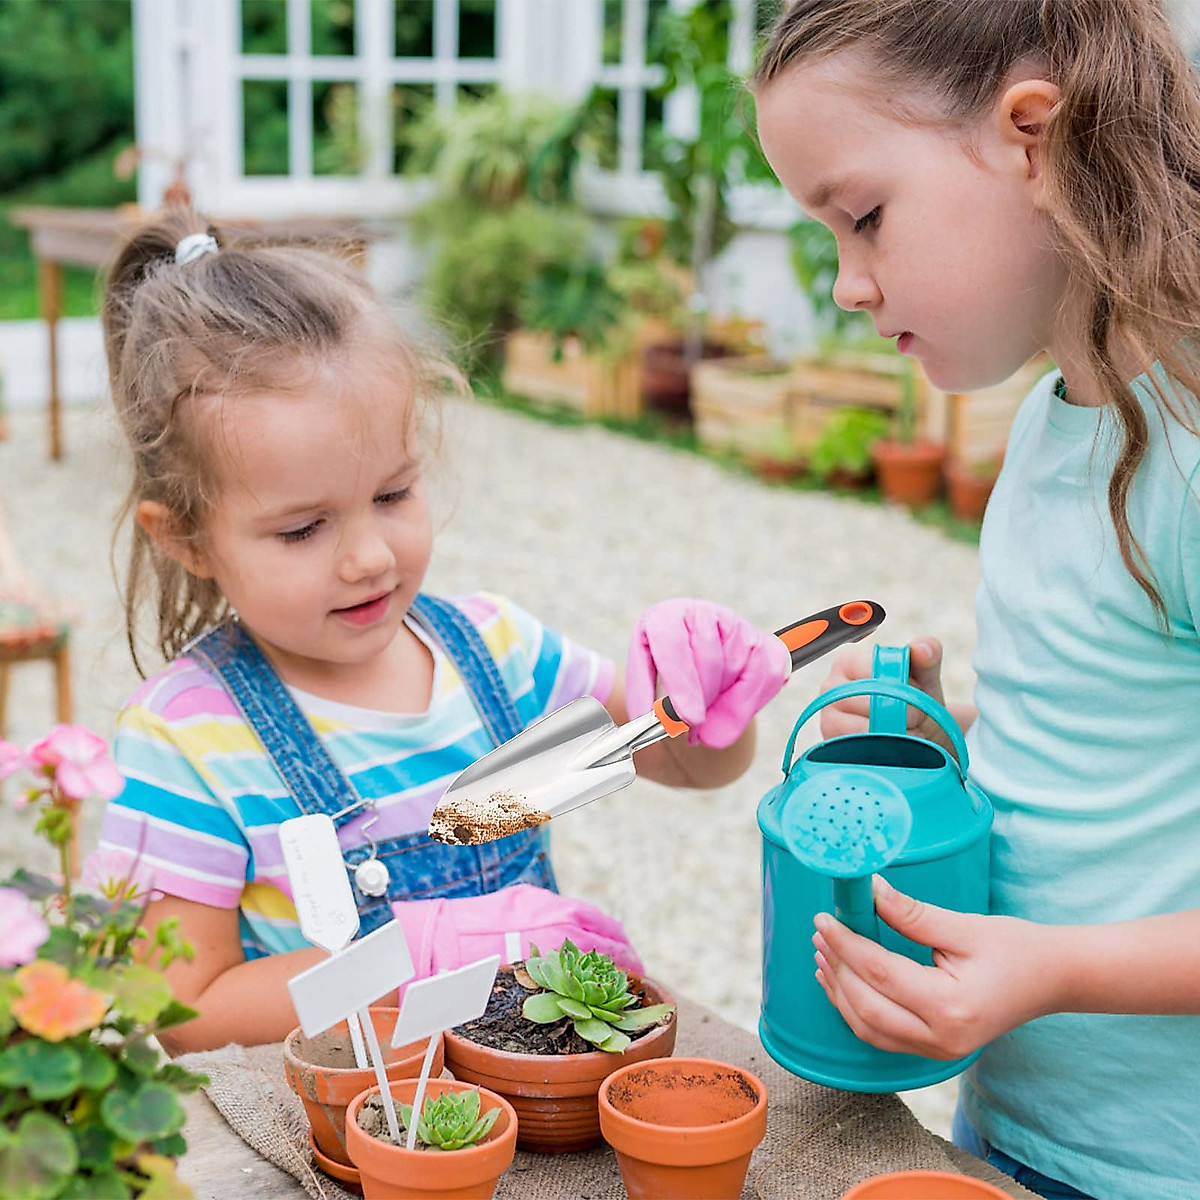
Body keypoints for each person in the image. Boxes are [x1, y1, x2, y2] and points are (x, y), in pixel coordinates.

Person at [96, 211, 792, 1053]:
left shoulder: (498, 653)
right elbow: (180, 1012)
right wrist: (409, 956)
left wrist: (705, 695)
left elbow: (688, 765)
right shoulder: (188, 739)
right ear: (186, 540)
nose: (369, 558)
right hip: (346, 1119)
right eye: (303, 529)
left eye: (392, 495)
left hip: (529, 1099)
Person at [754, 3, 1200, 1198]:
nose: (848, 285)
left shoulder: (1188, 457)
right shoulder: (1056, 425)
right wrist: (944, 743)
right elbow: (1120, 750)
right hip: (1011, 1129)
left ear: (1032, 139)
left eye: (863, 218)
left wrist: (1053, 970)